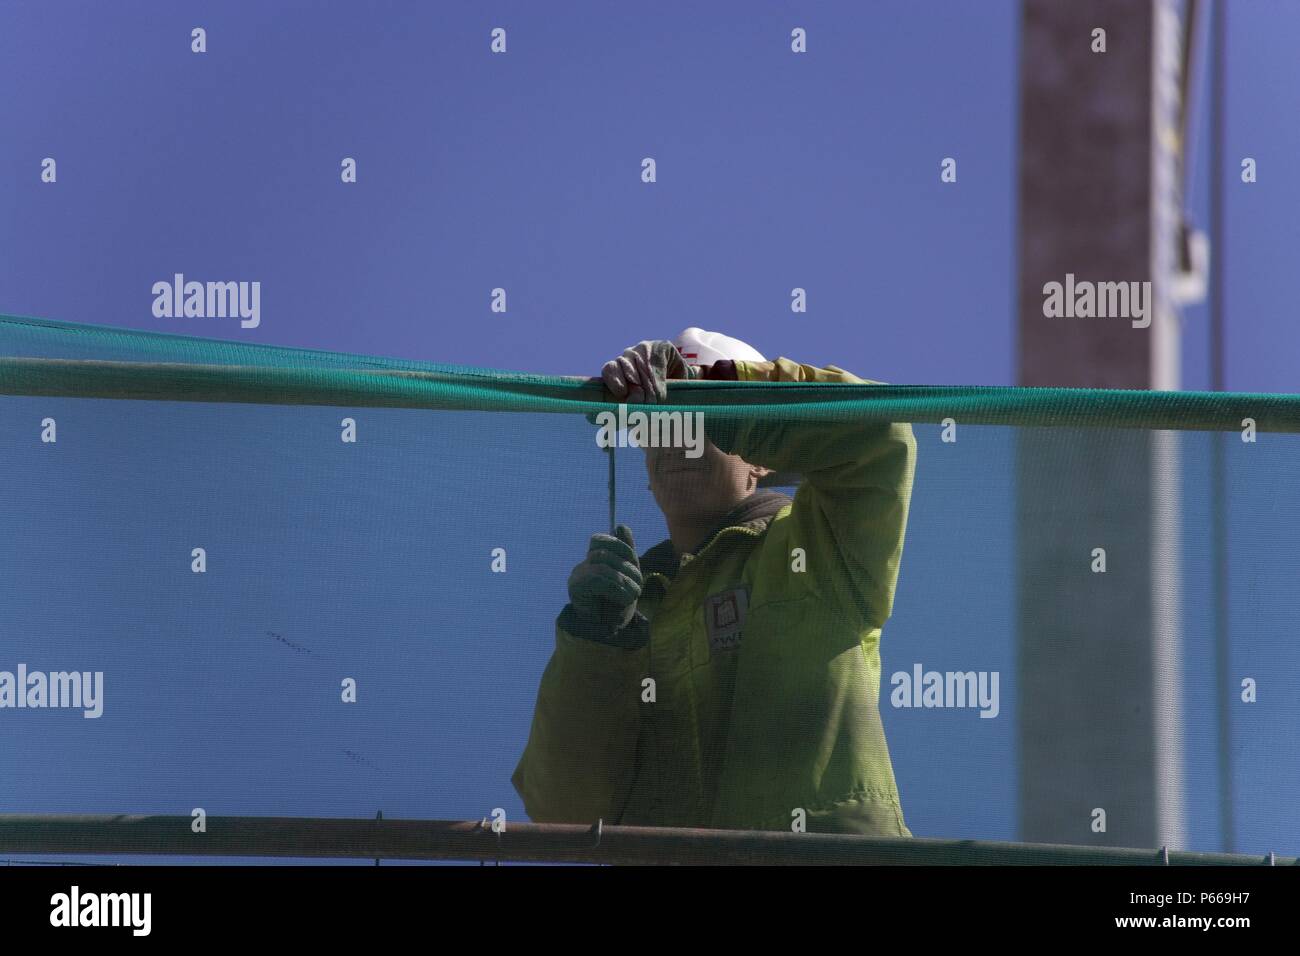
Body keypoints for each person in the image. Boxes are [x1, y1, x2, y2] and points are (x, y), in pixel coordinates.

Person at [512, 329, 917, 836]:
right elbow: (563, 810)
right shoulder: (628, 611)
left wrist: (714, 385)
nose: (677, 434)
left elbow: (879, 432)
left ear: (759, 456)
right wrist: (598, 643)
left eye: (699, 421)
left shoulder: (820, 547)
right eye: (661, 424)